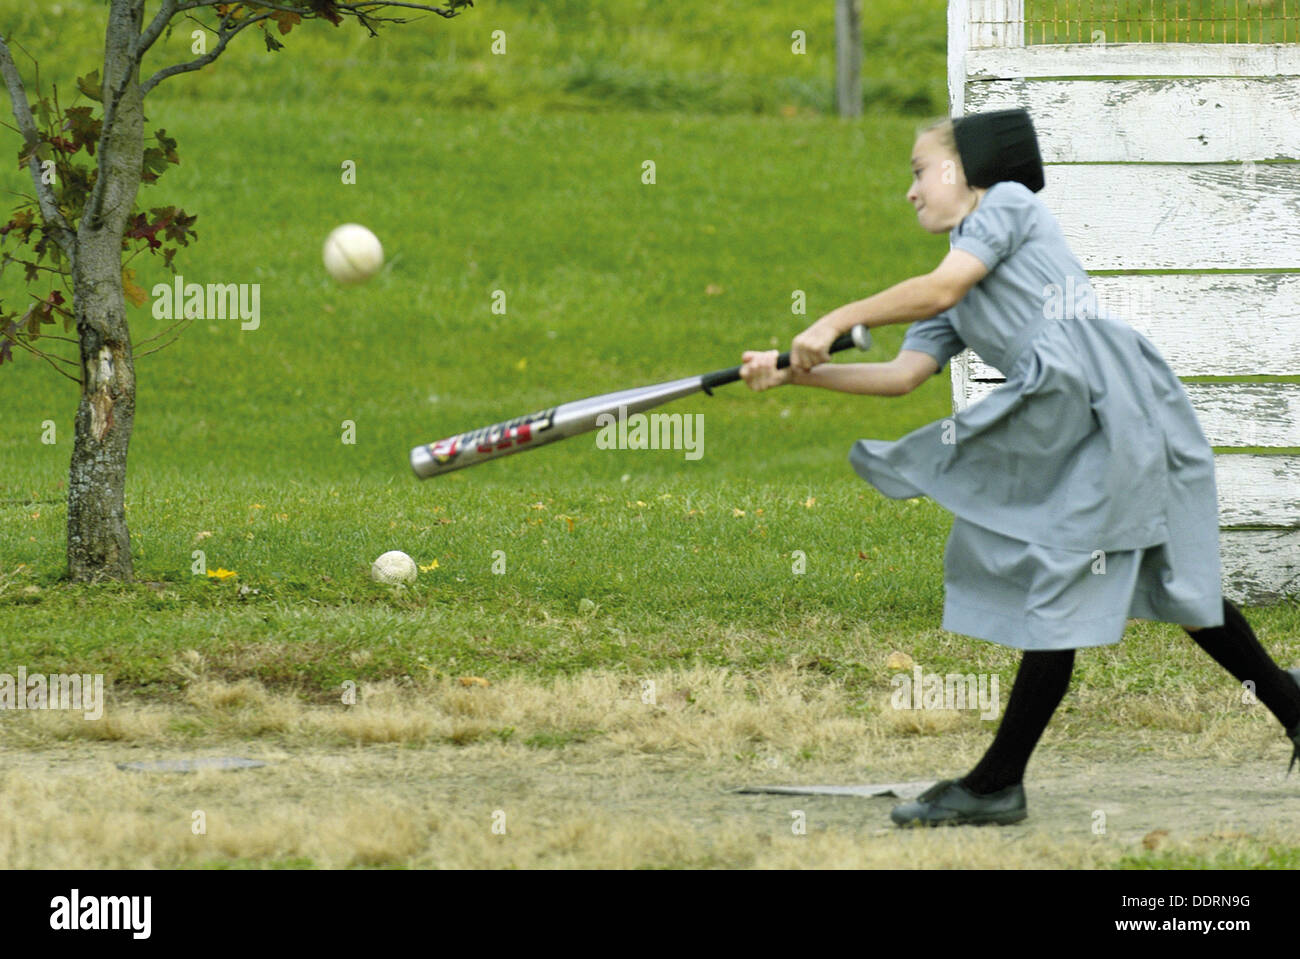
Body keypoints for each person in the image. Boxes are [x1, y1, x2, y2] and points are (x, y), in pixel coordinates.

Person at [739, 108, 1300, 827]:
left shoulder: (1004, 206)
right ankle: (1294, 709)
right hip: (1078, 427)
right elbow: (902, 375)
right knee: (1169, 582)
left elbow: (939, 288)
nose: (911, 191)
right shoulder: (956, 281)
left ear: (967, 167)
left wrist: (835, 317)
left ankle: (998, 781)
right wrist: (792, 374)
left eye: (921, 171)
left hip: (1113, 409)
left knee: (1073, 581)